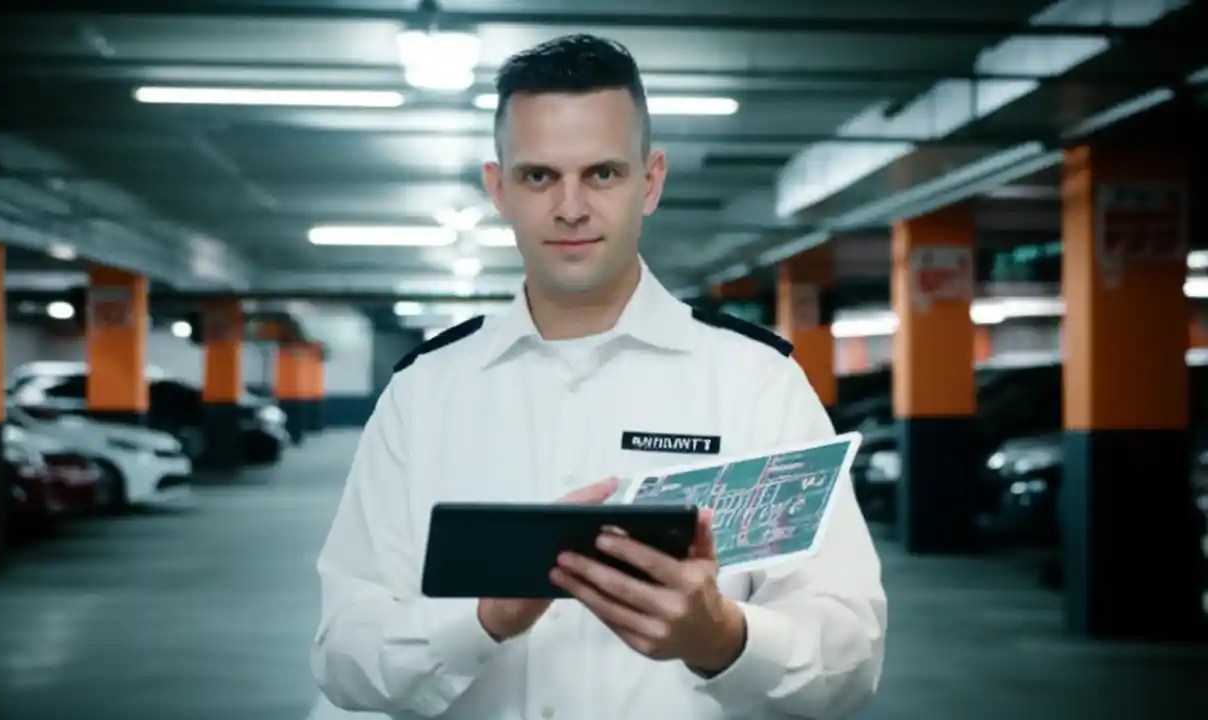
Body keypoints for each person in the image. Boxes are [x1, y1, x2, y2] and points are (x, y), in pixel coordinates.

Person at [311, 33, 887, 720]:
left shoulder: (755, 383)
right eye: (539, 176)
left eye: (603, 174)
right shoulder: (425, 394)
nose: (571, 207)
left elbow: (851, 655)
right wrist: (481, 621)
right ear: (499, 188)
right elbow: (343, 655)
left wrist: (722, 637)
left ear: (651, 181)